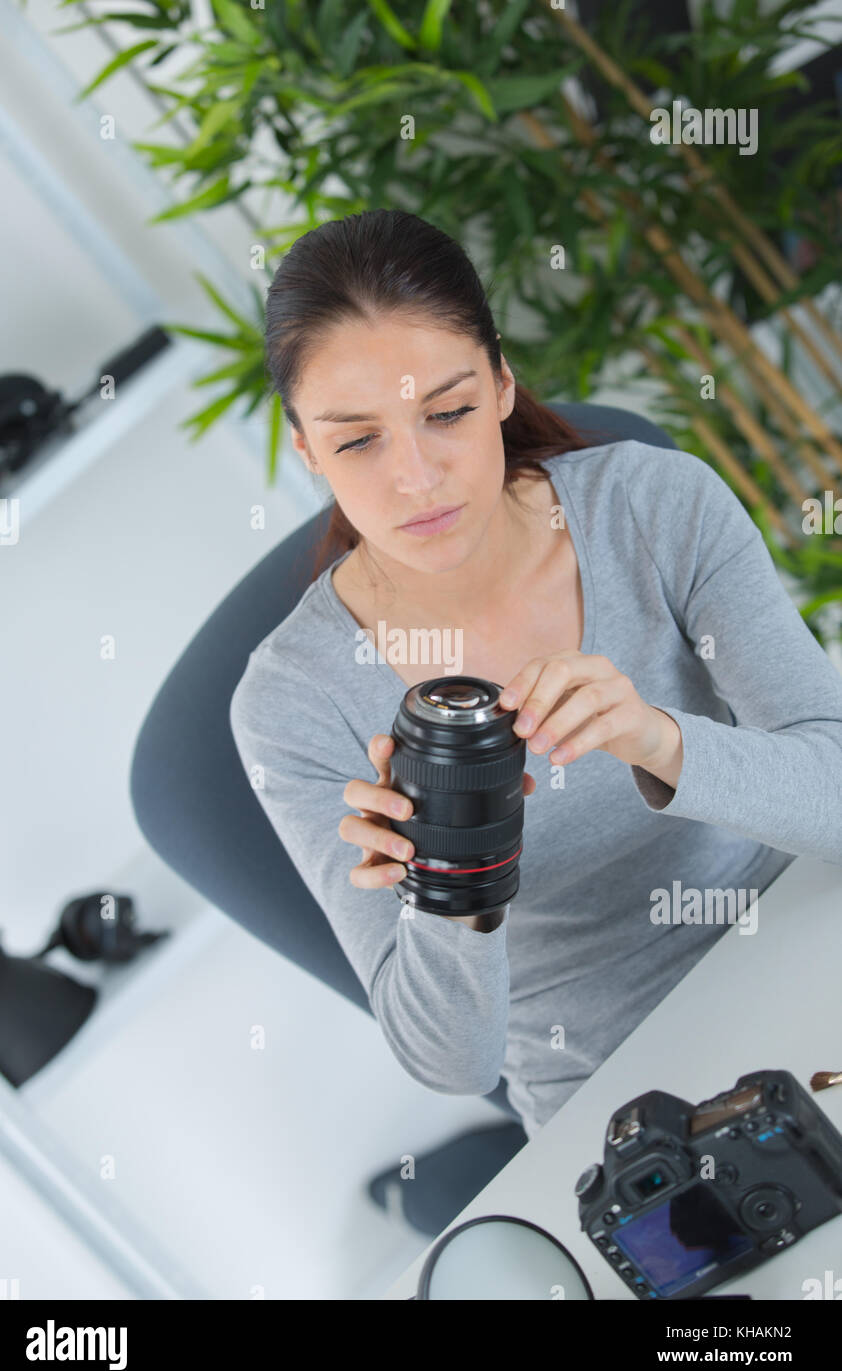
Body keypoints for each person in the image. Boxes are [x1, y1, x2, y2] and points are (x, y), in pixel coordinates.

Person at [229, 208, 842, 1141]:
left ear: (504, 383)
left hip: (800, 944)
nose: (418, 476)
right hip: (618, 1087)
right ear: (308, 449)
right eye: (358, 441)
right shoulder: (293, 702)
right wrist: (452, 869)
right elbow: (451, 1063)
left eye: (448, 412)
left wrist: (658, 740)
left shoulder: (652, 506)